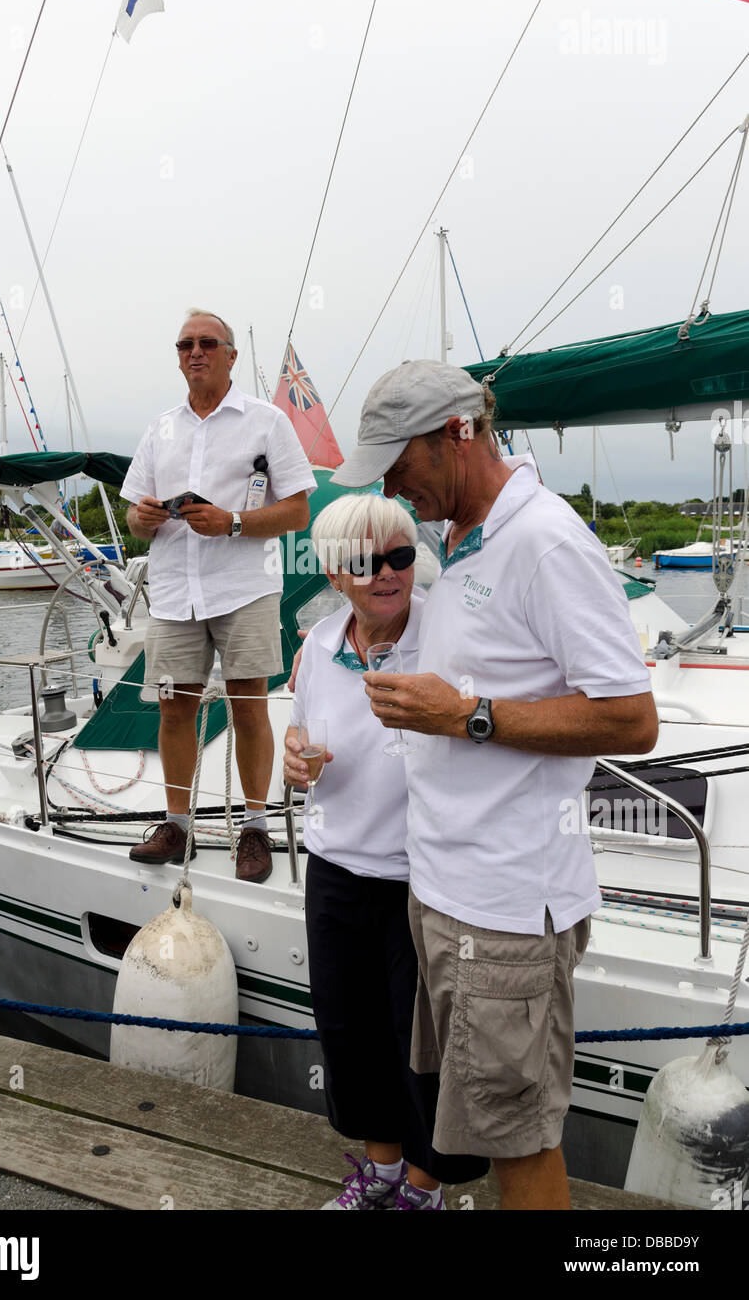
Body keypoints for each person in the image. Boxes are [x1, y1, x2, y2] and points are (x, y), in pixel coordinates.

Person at [331, 359, 658, 1210]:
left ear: (456, 434)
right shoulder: (460, 539)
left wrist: (465, 715)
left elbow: (629, 718)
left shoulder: (543, 541)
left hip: (508, 906)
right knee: (482, 1118)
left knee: (519, 1141)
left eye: (398, 465)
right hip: (446, 893)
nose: (394, 490)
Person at [284, 492, 488, 1210]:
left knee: (426, 1047)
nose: (387, 573)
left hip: (424, 878)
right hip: (337, 867)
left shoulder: (449, 637)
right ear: (335, 573)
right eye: (366, 562)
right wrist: (295, 756)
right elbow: (300, 733)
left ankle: (425, 1191)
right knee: (350, 1031)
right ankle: (378, 1176)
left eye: (400, 556)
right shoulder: (316, 645)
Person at [121, 308, 316, 882]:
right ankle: (176, 824)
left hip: (243, 587)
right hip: (175, 590)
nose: (195, 352)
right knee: (174, 707)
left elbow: (298, 509)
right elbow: (133, 518)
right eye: (185, 345)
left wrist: (231, 521)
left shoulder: (267, 421)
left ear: (232, 355)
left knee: (248, 704)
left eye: (208, 343)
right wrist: (145, 515)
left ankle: (254, 827)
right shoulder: (160, 429)